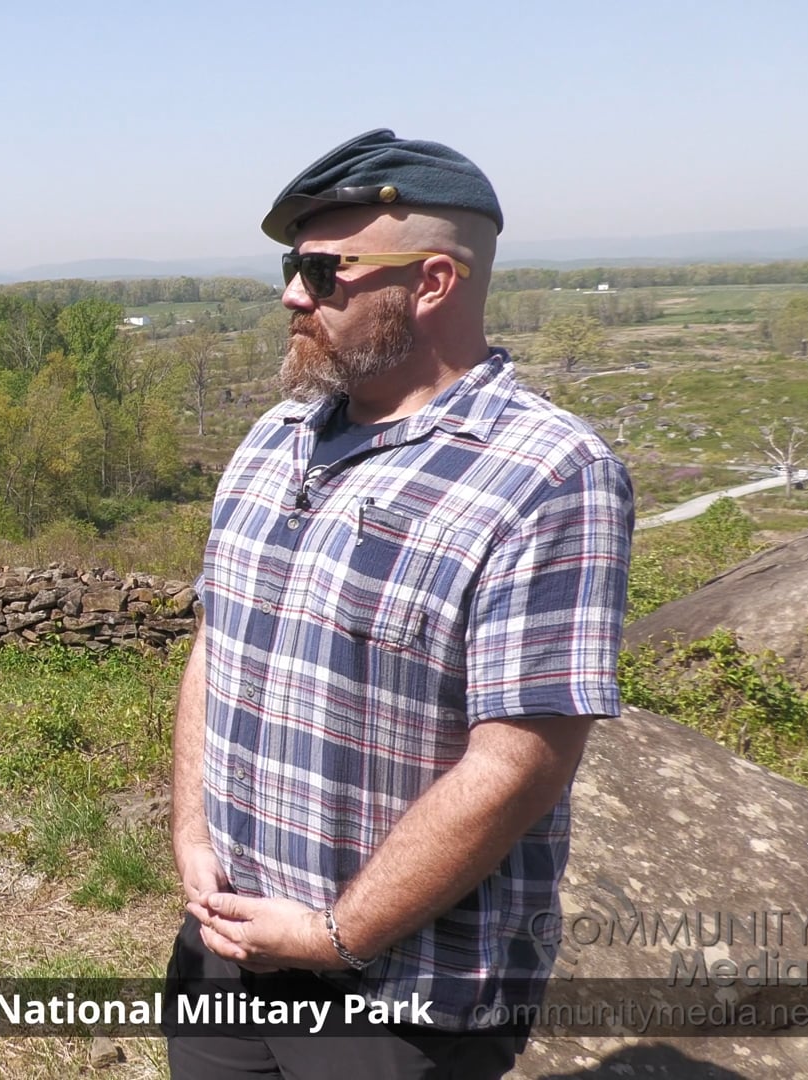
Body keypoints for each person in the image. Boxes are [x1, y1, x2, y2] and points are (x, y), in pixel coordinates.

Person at [164, 131, 634, 1079]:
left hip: (401, 995)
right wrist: (192, 832)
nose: (294, 293)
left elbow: (520, 761)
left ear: (430, 283)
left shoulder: (549, 476)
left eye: (324, 270)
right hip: (226, 946)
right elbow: (219, 646)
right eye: (290, 268)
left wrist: (338, 935)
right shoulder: (276, 435)